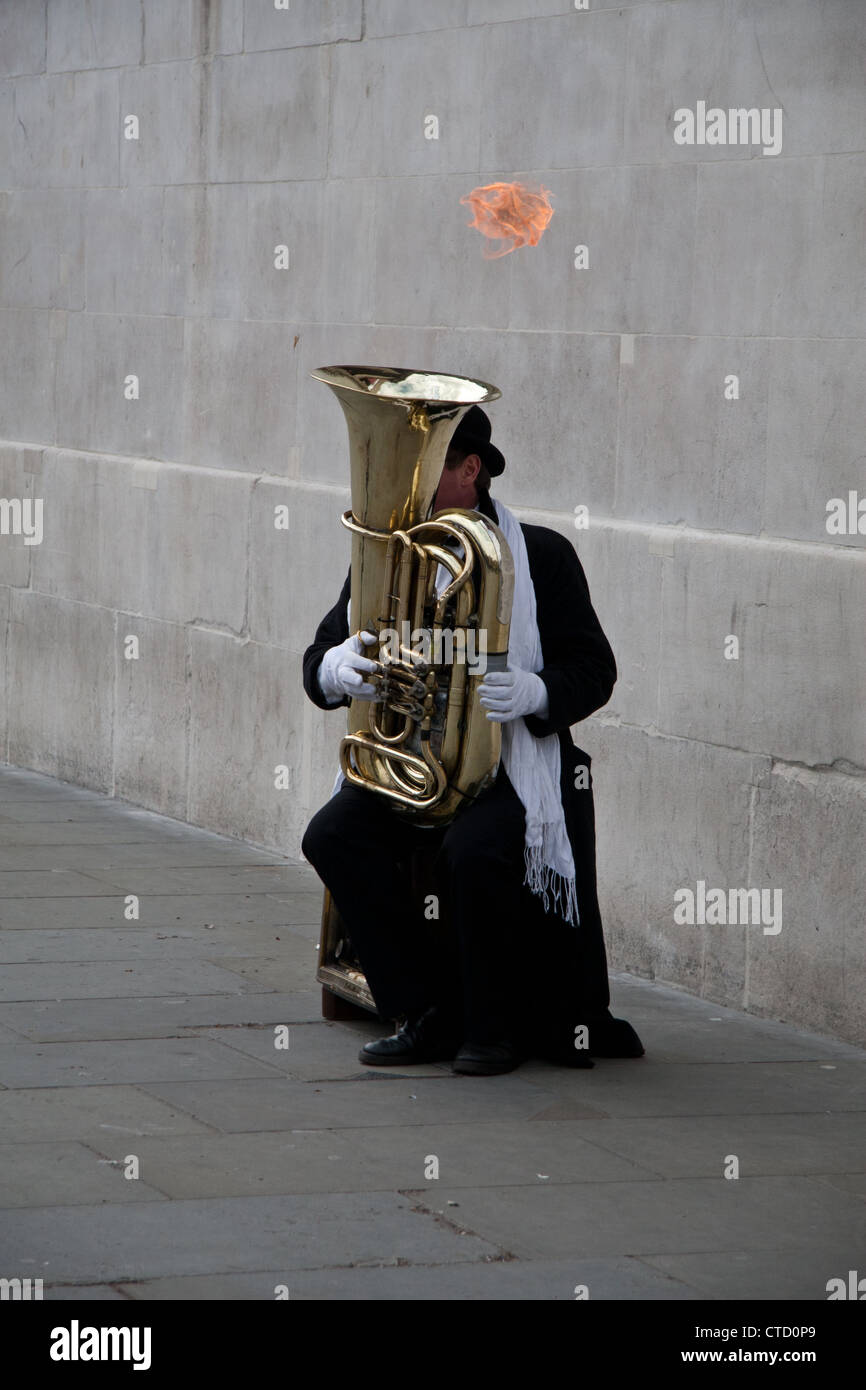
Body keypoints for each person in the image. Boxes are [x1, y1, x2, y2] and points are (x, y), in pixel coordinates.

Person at [301, 405, 644, 1076]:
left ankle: (492, 1030)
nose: (410, 483)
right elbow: (319, 655)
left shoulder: (541, 555)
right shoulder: (390, 551)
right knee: (331, 835)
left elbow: (594, 669)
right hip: (413, 764)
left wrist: (536, 691)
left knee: (475, 848)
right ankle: (421, 1012)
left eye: (427, 468)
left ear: (470, 471)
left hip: (509, 771)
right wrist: (336, 668)